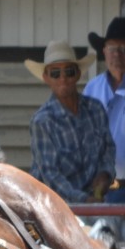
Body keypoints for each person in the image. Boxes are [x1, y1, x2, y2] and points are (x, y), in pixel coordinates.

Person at [26, 41, 115, 204]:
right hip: (53, 207)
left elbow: (108, 149)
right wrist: (83, 200)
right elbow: (50, 175)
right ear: (46, 78)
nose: (63, 78)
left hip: (94, 202)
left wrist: (105, 174)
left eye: (69, 71)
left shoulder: (96, 109)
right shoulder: (42, 121)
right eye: (55, 73)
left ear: (78, 74)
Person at [84, 17, 125, 204]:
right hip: (96, 190)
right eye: (112, 49)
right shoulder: (92, 88)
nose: (117, 54)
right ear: (104, 52)